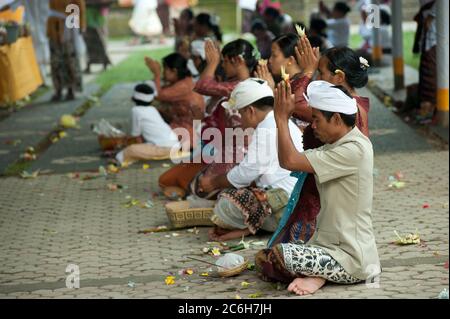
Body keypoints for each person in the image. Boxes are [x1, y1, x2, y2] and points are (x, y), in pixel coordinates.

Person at [256, 80, 381, 296]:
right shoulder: (337, 145)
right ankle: (319, 274)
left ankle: (319, 276)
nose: (313, 125)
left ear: (336, 118)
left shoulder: (354, 149)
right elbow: (291, 159)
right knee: (265, 257)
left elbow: (289, 160)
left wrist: (281, 119)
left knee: (281, 256)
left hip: (353, 258)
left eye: (316, 119)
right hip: (326, 247)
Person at [267, 38, 372, 248]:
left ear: (339, 77)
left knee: (286, 254)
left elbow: (294, 103)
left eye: (321, 73)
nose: (317, 78)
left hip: (326, 185)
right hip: (320, 176)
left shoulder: (342, 108)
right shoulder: (349, 104)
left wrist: (306, 71)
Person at [198, 78, 304, 242]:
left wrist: (213, 182)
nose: (241, 119)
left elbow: (247, 172)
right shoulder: (279, 122)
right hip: (292, 201)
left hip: (285, 204)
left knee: (225, 205)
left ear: (250, 111)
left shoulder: (267, 127)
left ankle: (253, 227)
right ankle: (253, 227)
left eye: (240, 113)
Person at [158, 39, 257, 199]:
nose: (223, 66)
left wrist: (212, 62)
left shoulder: (241, 87)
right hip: (216, 150)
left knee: (196, 186)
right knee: (168, 180)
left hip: (238, 155)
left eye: (224, 62)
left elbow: (201, 86)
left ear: (237, 61)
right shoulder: (236, 85)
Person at [144, 52, 205, 149]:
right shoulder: (183, 81)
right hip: (183, 123)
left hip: (188, 129)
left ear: (174, 71)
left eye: (165, 69)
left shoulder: (184, 85)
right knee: (153, 111)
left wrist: (157, 74)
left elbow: (158, 94)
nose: (163, 72)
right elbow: (155, 91)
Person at [115, 83, 182, 165]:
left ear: (134, 98)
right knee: (141, 147)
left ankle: (117, 161)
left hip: (164, 148)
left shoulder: (135, 110)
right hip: (175, 145)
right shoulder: (152, 109)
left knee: (128, 150)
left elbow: (135, 135)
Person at [47, 0, 86, 101]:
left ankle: (70, 89)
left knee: (69, 59)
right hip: (54, 27)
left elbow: (79, 6)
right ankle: (58, 89)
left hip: (69, 26)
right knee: (55, 61)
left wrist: (80, 25)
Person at [83, 0, 113, 74]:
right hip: (88, 20)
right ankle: (89, 66)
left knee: (101, 44)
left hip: (98, 21)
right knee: (89, 45)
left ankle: (104, 64)